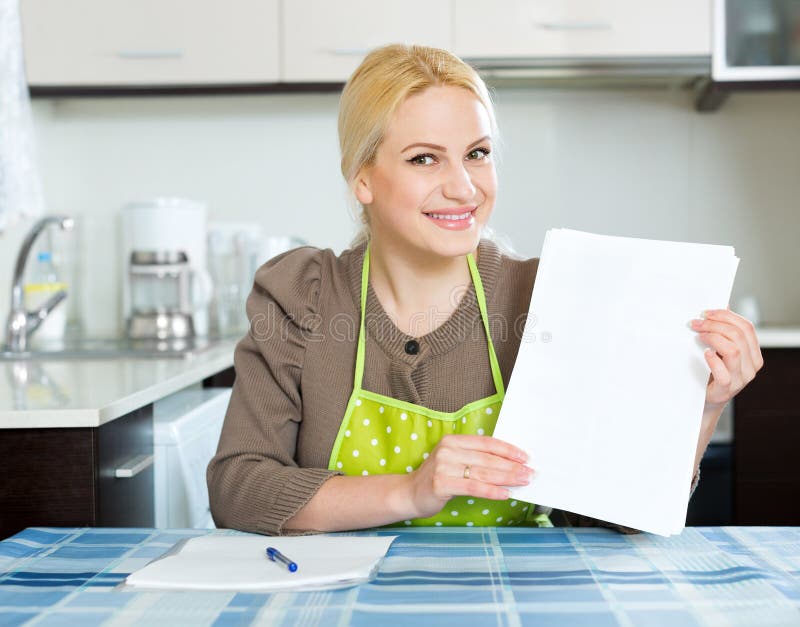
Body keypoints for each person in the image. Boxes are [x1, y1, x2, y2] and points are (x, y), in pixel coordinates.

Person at [207, 44, 763, 535]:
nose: (463, 187)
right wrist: (409, 491)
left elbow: (606, 518)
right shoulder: (302, 296)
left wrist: (701, 407)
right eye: (425, 158)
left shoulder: (543, 295)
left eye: (477, 153)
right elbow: (239, 488)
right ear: (363, 178)